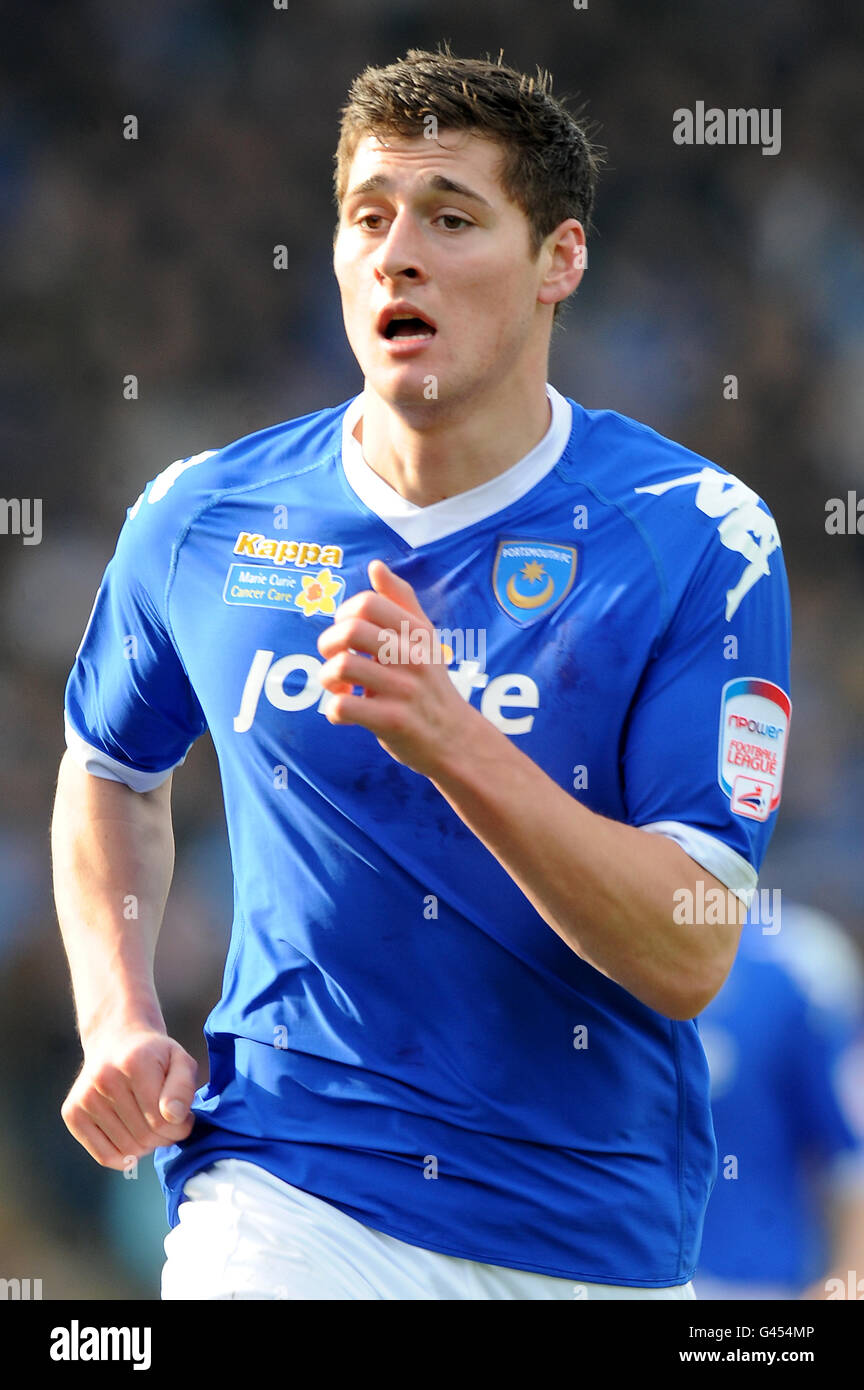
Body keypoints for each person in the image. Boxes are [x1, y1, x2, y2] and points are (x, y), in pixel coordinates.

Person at [52, 48, 791, 1300]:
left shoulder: (698, 537)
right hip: (284, 1188)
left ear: (559, 260)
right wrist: (117, 1012)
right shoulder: (202, 517)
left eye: (452, 218)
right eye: (369, 217)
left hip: (585, 1230)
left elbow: (692, 949)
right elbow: (109, 770)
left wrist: (453, 739)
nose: (399, 253)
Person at [696, 902, 864, 1300]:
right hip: (596, 1277)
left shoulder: (793, 958)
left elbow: (847, 1154)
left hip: (750, 1285)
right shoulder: (553, 941)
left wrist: (851, 1274)